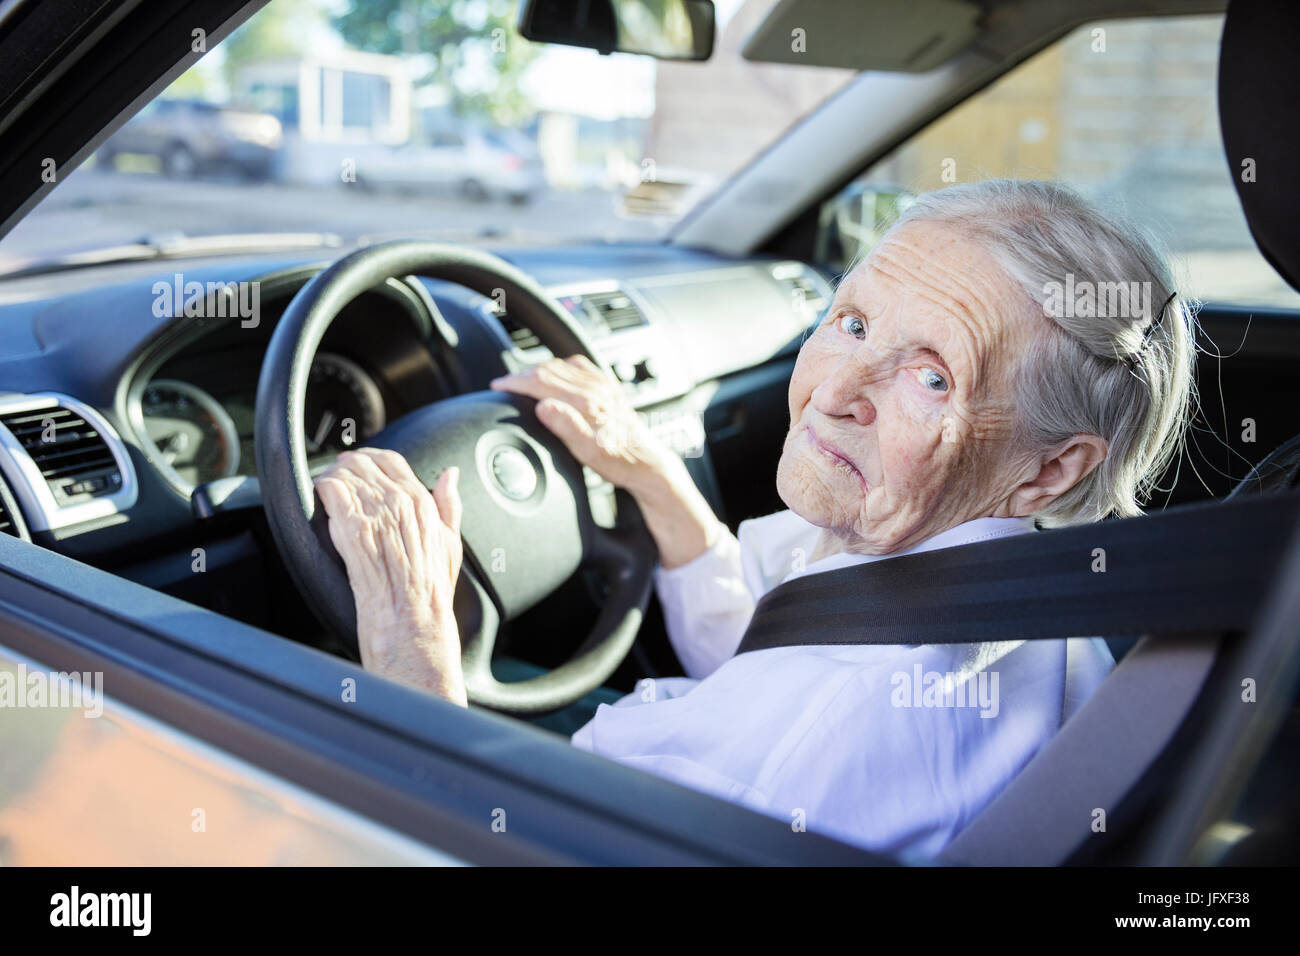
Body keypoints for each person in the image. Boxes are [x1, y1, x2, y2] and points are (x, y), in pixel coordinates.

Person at [314, 179, 1196, 856]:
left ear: (1050, 471)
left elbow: (466, 848)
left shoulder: (832, 731)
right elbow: (767, 659)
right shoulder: (1007, 598)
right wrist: (658, 479)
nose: (835, 393)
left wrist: (412, 658)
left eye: (933, 377)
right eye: (852, 322)